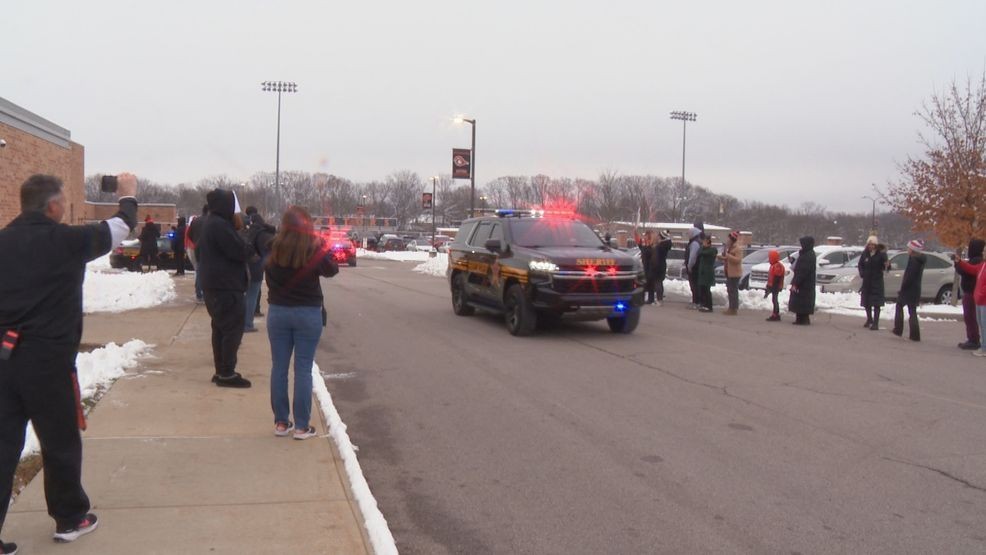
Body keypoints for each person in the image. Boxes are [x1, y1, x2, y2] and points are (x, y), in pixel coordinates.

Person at [0, 173, 139, 551]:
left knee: (2, 445)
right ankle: (69, 517)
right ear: (54, 206)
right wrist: (128, 195)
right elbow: (120, 227)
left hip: (3, 357)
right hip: (47, 362)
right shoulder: (67, 241)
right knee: (60, 442)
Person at [264, 206, 339, 439]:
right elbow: (332, 270)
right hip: (308, 313)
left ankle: (280, 422)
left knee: (279, 367)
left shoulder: (272, 247)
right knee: (303, 369)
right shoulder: (312, 249)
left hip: (278, 312)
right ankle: (302, 426)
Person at [197, 189, 253, 388]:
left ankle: (221, 370)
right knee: (232, 330)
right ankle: (227, 372)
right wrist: (248, 244)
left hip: (215, 285)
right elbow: (239, 250)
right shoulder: (220, 226)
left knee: (220, 329)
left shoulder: (210, 223)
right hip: (226, 287)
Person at [243, 211, 276, 332]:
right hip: (256, 269)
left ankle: (243, 322)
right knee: (252, 296)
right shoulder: (262, 234)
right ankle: (247, 324)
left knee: (247, 296)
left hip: (245, 268)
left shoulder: (247, 232)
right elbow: (269, 252)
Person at [893, 240, 926, 341]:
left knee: (900, 305)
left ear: (913, 250)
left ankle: (898, 329)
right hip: (915, 289)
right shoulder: (919, 260)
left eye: (909, 248)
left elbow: (909, 276)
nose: (908, 250)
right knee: (912, 310)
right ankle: (914, 335)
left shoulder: (914, 261)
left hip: (909, 289)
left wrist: (903, 288)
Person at [954, 251, 986, 357]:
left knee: (984, 325)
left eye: (985, 251)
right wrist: (960, 262)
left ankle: (984, 348)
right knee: (981, 324)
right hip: (979, 300)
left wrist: (981, 293)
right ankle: (983, 346)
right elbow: (971, 269)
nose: (983, 253)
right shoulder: (982, 265)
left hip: (983, 300)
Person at [857, 236, 888, 330]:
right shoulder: (865, 253)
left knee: (876, 303)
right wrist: (862, 273)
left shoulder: (881, 254)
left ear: (875, 245)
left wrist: (887, 265)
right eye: (869, 244)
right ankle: (869, 319)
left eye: (872, 244)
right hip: (867, 281)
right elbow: (860, 264)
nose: (870, 246)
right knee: (866, 302)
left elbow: (886, 266)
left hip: (877, 282)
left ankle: (876, 323)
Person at [788, 236, 817, 325]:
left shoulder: (808, 255)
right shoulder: (806, 254)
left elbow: (803, 270)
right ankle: (800, 318)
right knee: (800, 300)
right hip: (804, 283)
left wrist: (796, 282)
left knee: (803, 300)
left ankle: (803, 319)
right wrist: (793, 261)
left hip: (804, 283)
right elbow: (800, 266)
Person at [187, 204, 209, 302]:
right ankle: (205, 293)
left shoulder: (195, 221)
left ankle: (199, 292)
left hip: (197, 248)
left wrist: (196, 242)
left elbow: (189, 234)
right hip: (209, 249)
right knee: (207, 272)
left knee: (199, 270)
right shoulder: (211, 221)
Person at [719, 230, 742, 315]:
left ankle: (734, 308)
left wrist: (728, 256)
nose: (727, 241)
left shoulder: (737, 248)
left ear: (732, 240)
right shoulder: (731, 248)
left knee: (733, 291)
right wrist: (721, 257)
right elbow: (728, 258)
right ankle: (731, 307)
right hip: (729, 272)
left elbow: (737, 260)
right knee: (730, 290)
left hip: (734, 273)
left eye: (729, 239)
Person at [685, 223, 704, 308]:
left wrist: (689, 266)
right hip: (697, 267)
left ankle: (696, 302)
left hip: (694, 267)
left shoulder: (694, 243)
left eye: (689, 233)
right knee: (695, 285)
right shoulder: (697, 241)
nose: (688, 235)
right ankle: (696, 301)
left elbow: (693, 256)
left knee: (694, 285)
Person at [696, 236, 717, 313]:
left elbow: (700, 253)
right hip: (703, 273)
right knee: (702, 289)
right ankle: (704, 304)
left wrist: (703, 246)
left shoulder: (712, 250)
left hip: (707, 273)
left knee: (707, 290)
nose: (703, 243)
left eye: (705, 241)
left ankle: (709, 306)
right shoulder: (705, 250)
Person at [764, 249, 786, 321]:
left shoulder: (777, 266)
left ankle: (776, 314)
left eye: (770, 258)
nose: (769, 259)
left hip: (775, 286)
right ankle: (775, 314)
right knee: (774, 300)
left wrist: (772, 287)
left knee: (775, 300)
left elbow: (777, 278)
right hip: (773, 286)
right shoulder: (774, 265)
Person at [654, 230, 672, 304]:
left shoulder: (660, 246)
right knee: (659, 282)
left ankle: (659, 299)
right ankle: (660, 298)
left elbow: (656, 257)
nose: (657, 237)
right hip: (662, 264)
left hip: (659, 265)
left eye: (658, 236)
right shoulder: (664, 245)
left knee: (658, 282)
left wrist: (655, 265)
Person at [639, 230, 656, 304]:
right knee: (645, 284)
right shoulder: (646, 247)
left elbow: (647, 252)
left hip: (650, 267)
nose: (644, 238)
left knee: (649, 284)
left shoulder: (651, 248)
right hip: (646, 267)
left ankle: (650, 299)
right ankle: (645, 299)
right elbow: (642, 248)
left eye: (646, 236)